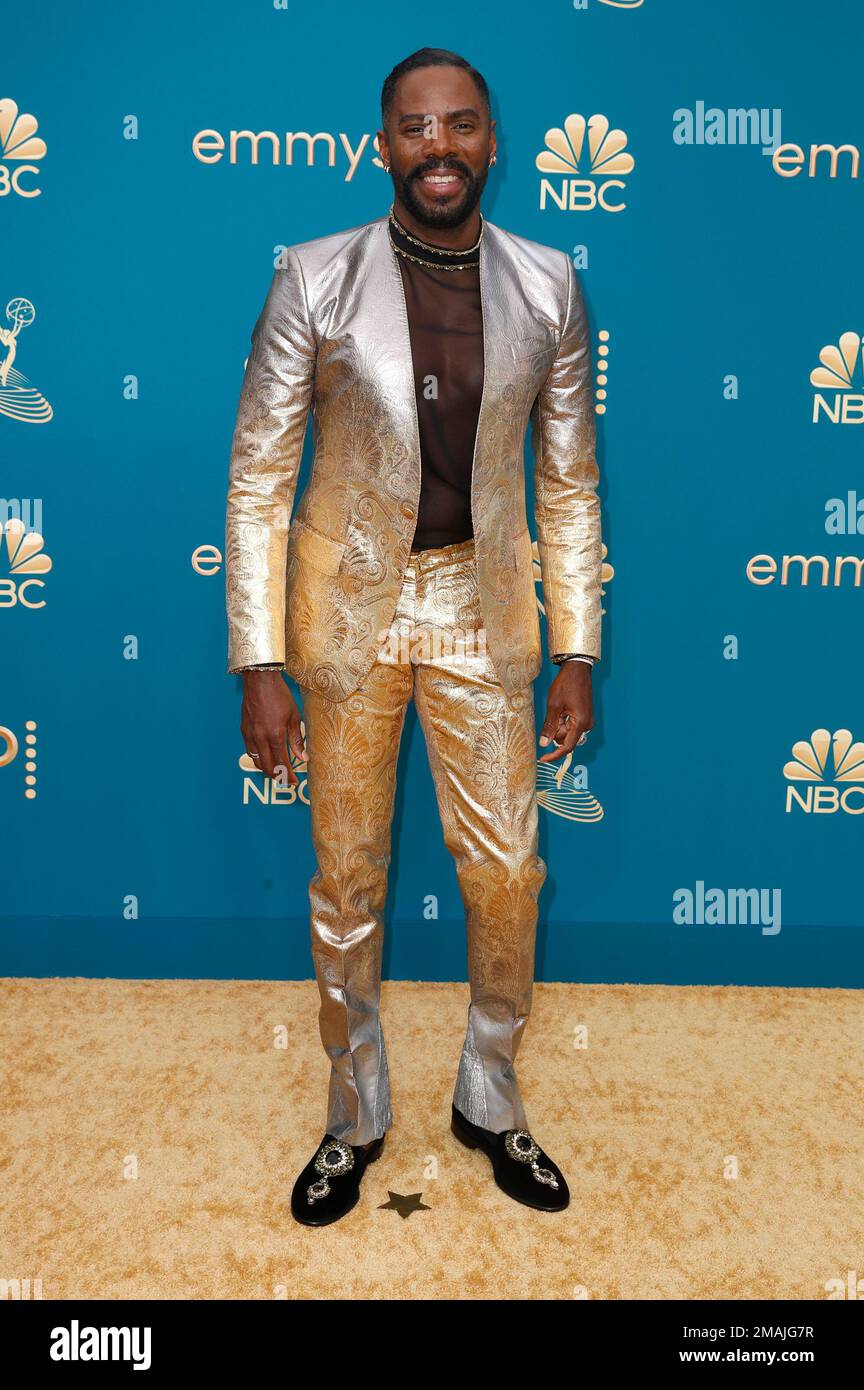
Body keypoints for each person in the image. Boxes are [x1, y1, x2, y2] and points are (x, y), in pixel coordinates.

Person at [225, 47, 603, 1226]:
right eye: (414, 127)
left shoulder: (549, 285)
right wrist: (258, 659)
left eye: (462, 125)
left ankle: (489, 1093)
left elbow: (572, 484)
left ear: (494, 140)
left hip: (481, 612)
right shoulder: (315, 277)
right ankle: (354, 1113)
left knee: (506, 876)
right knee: (347, 880)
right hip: (344, 617)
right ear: (382, 144)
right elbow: (258, 475)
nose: (439, 146)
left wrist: (579, 649)